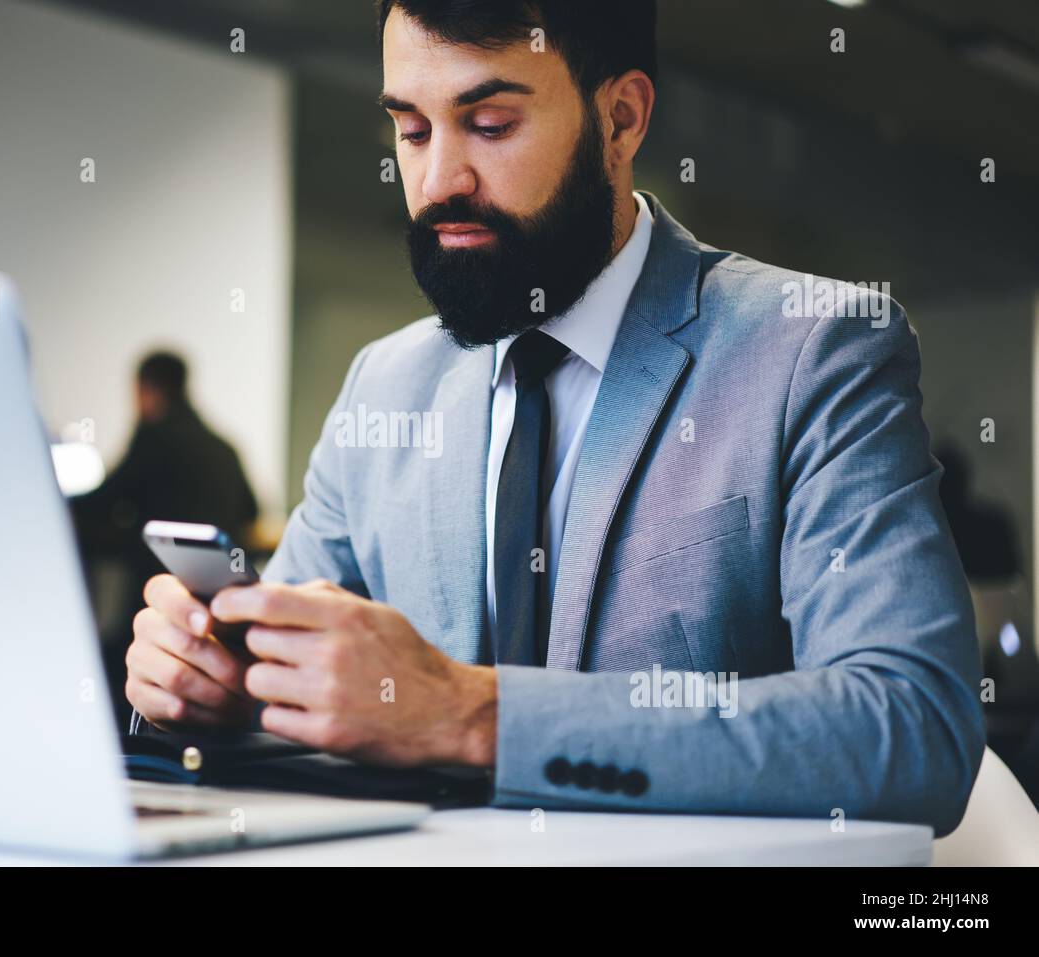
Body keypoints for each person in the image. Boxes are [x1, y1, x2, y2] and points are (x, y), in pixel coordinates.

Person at [126, 1, 984, 834]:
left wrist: (472, 714)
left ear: (620, 119)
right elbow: (289, 674)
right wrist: (219, 682)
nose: (437, 182)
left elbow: (913, 728)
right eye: (413, 130)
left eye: (491, 124)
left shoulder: (813, 349)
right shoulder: (385, 386)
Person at [73, 351, 257, 715]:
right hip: (220, 609)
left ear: (147, 390)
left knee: (108, 656)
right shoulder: (223, 447)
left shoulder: (153, 436)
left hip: (158, 603)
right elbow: (251, 510)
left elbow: (105, 499)